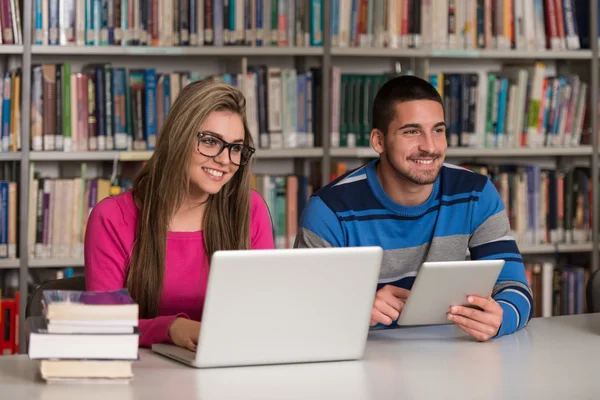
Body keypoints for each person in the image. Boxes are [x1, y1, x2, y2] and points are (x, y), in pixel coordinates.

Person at [295, 75, 532, 341]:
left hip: (454, 356)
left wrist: (501, 317)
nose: (429, 147)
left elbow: (515, 287)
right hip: (367, 362)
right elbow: (301, 314)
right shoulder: (329, 210)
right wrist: (355, 309)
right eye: (412, 131)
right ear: (379, 141)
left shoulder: (476, 193)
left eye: (438, 130)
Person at [84, 78, 275, 351]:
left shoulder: (250, 209)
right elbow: (104, 327)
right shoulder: (112, 218)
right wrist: (169, 328)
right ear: (178, 137)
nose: (224, 159)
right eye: (210, 141)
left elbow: (264, 314)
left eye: (236, 148)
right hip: (141, 378)